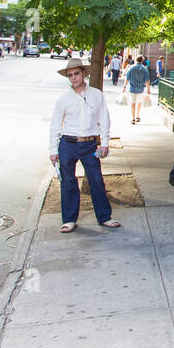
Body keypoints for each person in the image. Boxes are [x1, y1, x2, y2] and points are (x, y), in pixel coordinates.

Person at [48, 57, 121, 233]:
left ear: (83, 74)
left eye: (76, 74)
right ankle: (69, 219)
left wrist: (104, 143)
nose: (73, 78)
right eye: (70, 75)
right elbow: (55, 126)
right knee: (68, 182)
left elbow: (104, 119)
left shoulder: (97, 95)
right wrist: (53, 150)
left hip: (89, 145)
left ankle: (105, 217)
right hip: (68, 144)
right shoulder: (63, 100)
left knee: (96, 180)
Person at [124, 54, 151, 123]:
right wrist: (148, 89)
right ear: (142, 60)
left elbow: (127, 78)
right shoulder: (145, 69)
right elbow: (147, 80)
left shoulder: (131, 68)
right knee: (139, 103)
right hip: (141, 89)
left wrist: (124, 86)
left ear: (136, 60)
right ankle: (137, 116)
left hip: (132, 88)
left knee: (133, 103)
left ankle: (133, 118)